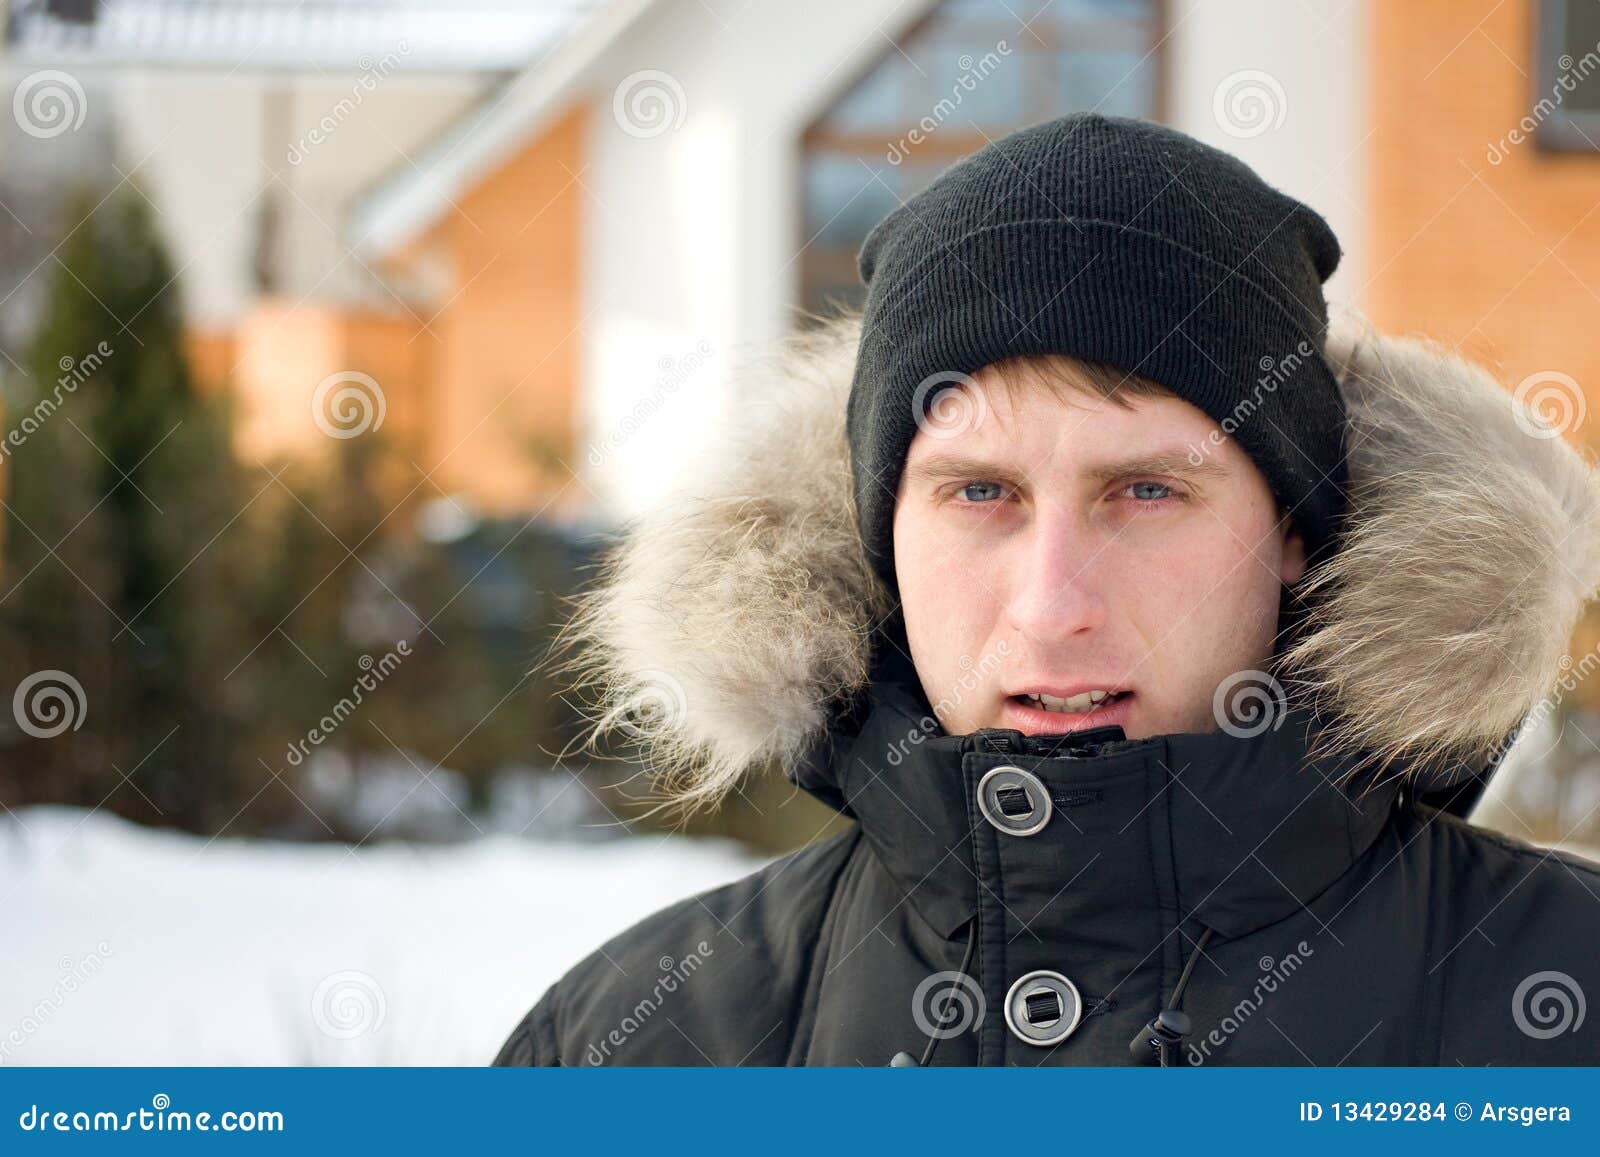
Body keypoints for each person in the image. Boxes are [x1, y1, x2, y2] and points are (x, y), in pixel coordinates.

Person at [493, 113, 1600, 1066]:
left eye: (1147, 491)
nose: (1049, 603)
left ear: (1293, 536)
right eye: (978, 493)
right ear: (880, 537)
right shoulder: (632, 1043)